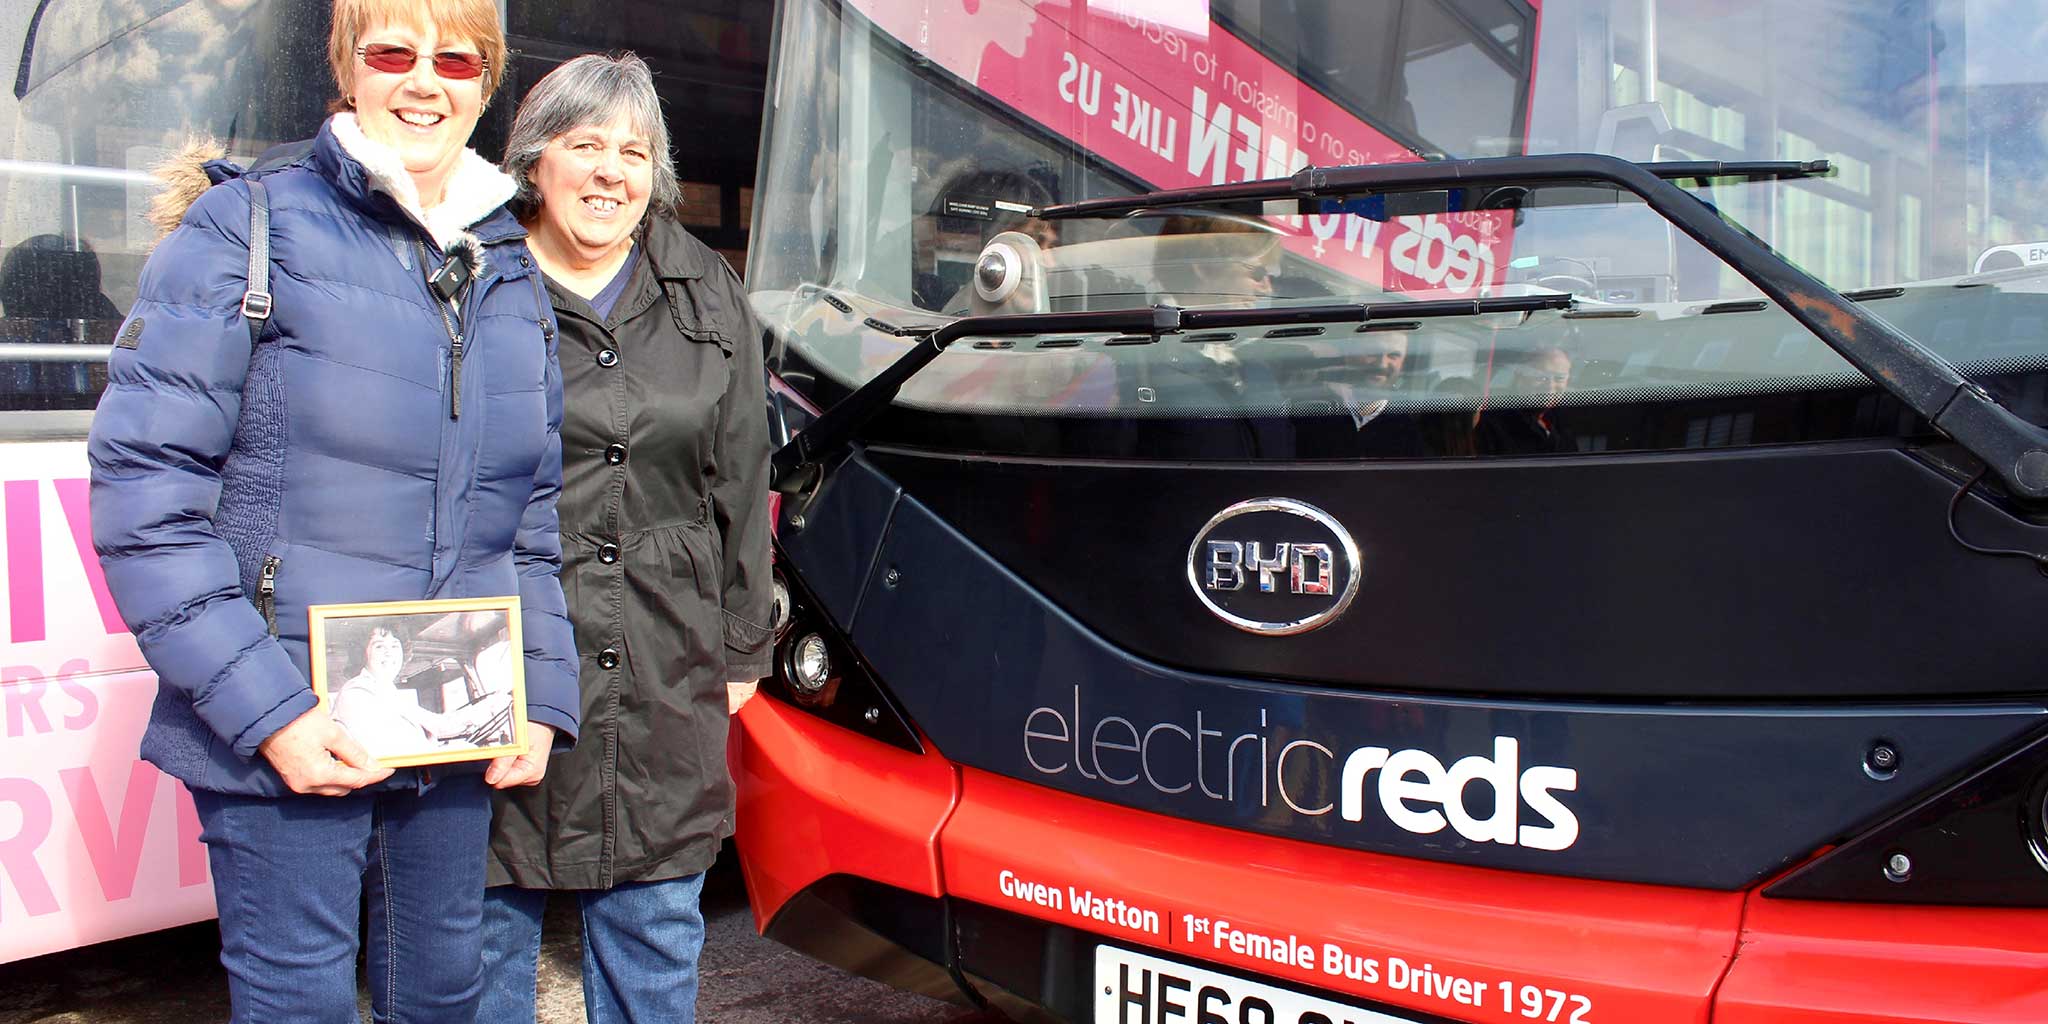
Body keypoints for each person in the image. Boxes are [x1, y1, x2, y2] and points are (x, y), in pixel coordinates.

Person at [84, 1, 579, 1020]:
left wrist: (537, 688)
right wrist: (272, 715)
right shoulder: (245, 227)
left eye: (454, 57)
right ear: (350, 65)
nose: (423, 80)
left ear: (485, 84)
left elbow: (526, 514)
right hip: (286, 728)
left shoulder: (506, 261)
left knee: (441, 996)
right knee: (298, 1003)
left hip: (443, 723)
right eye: (393, 51)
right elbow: (146, 501)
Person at [477, 53, 773, 1024]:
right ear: (533, 162)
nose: (610, 171)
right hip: (502, 661)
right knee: (483, 943)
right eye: (584, 144)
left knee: (651, 940)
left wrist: (740, 649)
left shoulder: (707, 294)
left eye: (634, 152)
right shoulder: (471, 280)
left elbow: (739, 478)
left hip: (665, 664)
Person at [329, 624, 506, 760]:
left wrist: (490, 706)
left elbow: (438, 725)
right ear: (363, 654)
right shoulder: (357, 693)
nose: (389, 653)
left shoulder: (386, 691)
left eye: (395, 646)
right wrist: (464, 750)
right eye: (379, 647)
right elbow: (392, 751)